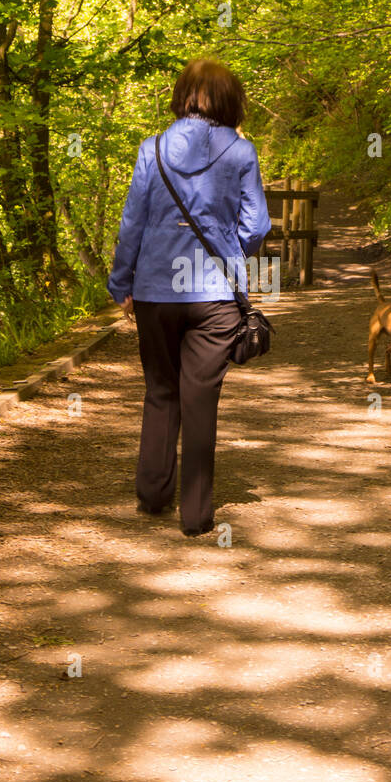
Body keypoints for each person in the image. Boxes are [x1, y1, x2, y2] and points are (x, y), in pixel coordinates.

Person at [107, 58, 271, 536]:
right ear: (228, 100)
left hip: (156, 289)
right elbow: (257, 226)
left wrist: (123, 283)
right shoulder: (242, 153)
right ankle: (197, 515)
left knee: (161, 391)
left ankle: (154, 494)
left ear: (183, 96)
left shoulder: (151, 149)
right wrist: (232, 251)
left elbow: (132, 224)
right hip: (213, 294)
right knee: (202, 401)